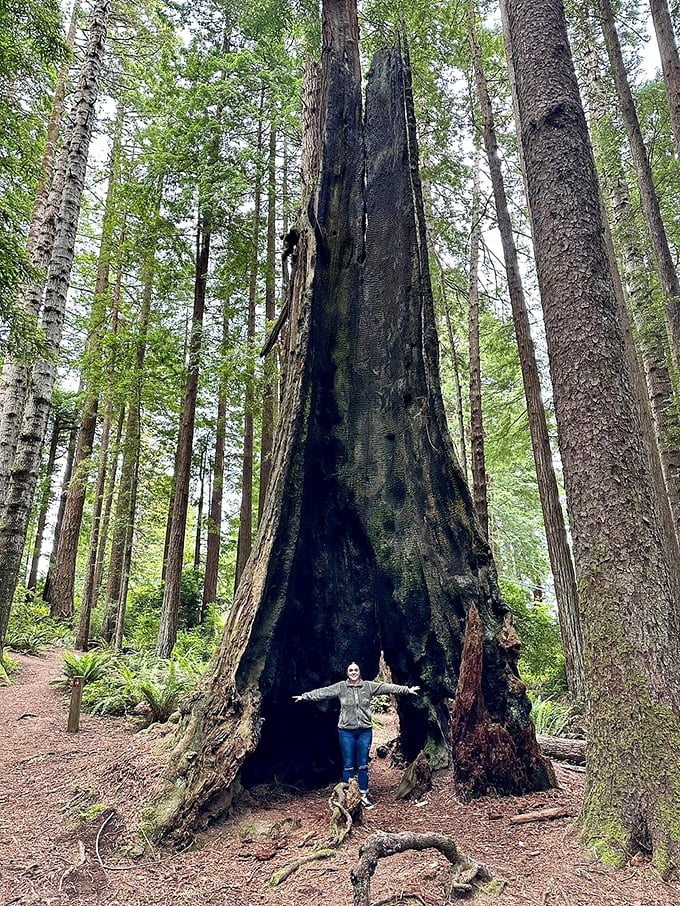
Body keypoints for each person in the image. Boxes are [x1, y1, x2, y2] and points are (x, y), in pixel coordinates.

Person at [293, 662, 420, 809]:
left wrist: (407, 690)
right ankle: (348, 795)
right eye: (351, 670)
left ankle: (363, 795)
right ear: (347, 673)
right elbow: (325, 692)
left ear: (359, 672)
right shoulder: (341, 687)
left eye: (356, 670)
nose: (353, 672)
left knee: (363, 765)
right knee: (348, 765)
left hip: (364, 731)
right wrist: (305, 696)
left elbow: (387, 687)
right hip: (346, 731)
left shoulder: (368, 686)